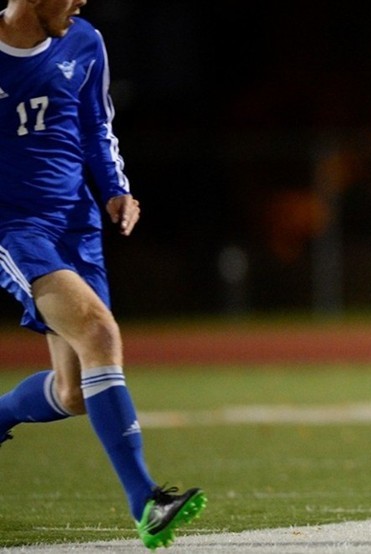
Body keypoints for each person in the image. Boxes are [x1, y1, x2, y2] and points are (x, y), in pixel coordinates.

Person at [0, 0, 206, 549]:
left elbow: (96, 122)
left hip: (78, 223)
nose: (83, 1)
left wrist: (115, 189)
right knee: (99, 333)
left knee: (73, 393)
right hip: (17, 229)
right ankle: (146, 500)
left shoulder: (85, 40)